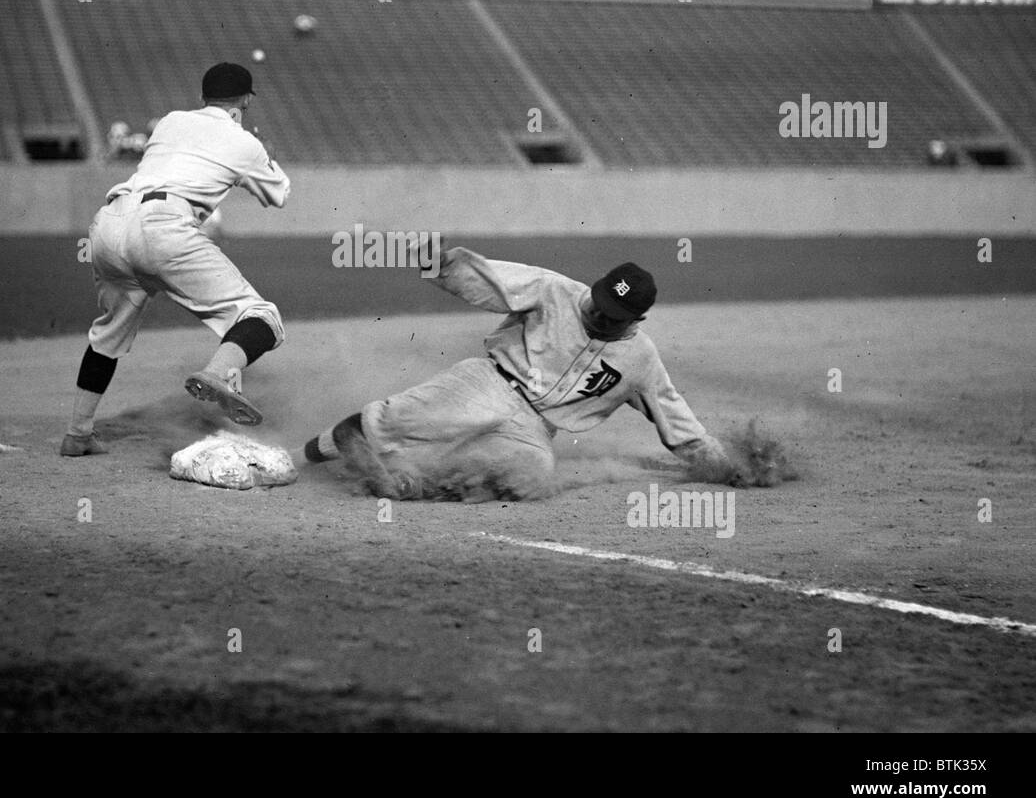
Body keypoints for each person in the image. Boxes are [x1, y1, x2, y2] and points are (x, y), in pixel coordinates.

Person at [303, 243, 729, 500]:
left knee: (531, 475)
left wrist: (725, 466)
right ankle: (330, 443)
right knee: (417, 420)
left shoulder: (641, 360)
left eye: (612, 315)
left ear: (637, 318)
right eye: (599, 302)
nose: (599, 314)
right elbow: (491, 280)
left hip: (535, 431)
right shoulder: (555, 291)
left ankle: (414, 486)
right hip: (491, 383)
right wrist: (441, 265)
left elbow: (677, 421)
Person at [60, 62, 290, 457]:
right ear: (244, 103)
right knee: (261, 317)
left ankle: (77, 434)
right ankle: (218, 376)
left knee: (109, 334)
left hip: (110, 224)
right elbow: (278, 195)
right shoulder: (243, 140)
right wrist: (264, 154)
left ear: (204, 97)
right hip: (164, 228)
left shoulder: (170, 121)